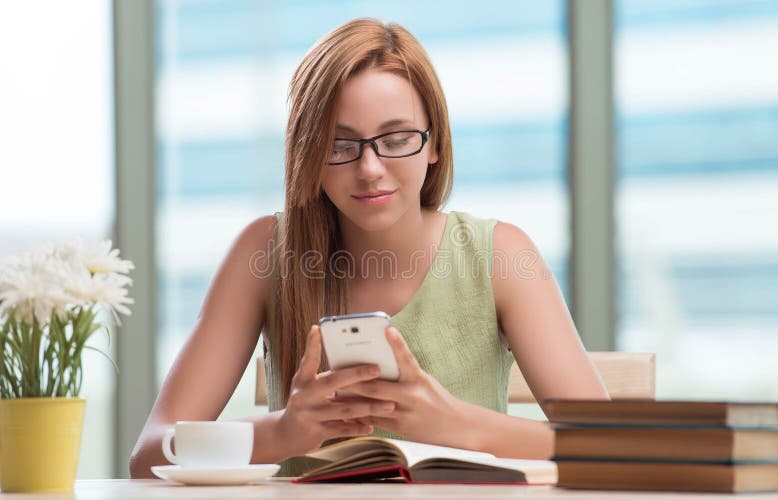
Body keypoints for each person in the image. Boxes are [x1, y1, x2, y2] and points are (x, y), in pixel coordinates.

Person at [129, 17, 608, 479]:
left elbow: (607, 442)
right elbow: (150, 453)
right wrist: (284, 432)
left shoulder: (499, 255)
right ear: (309, 154)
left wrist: (451, 423)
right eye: (339, 145)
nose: (370, 169)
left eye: (397, 139)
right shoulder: (267, 253)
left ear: (433, 143)